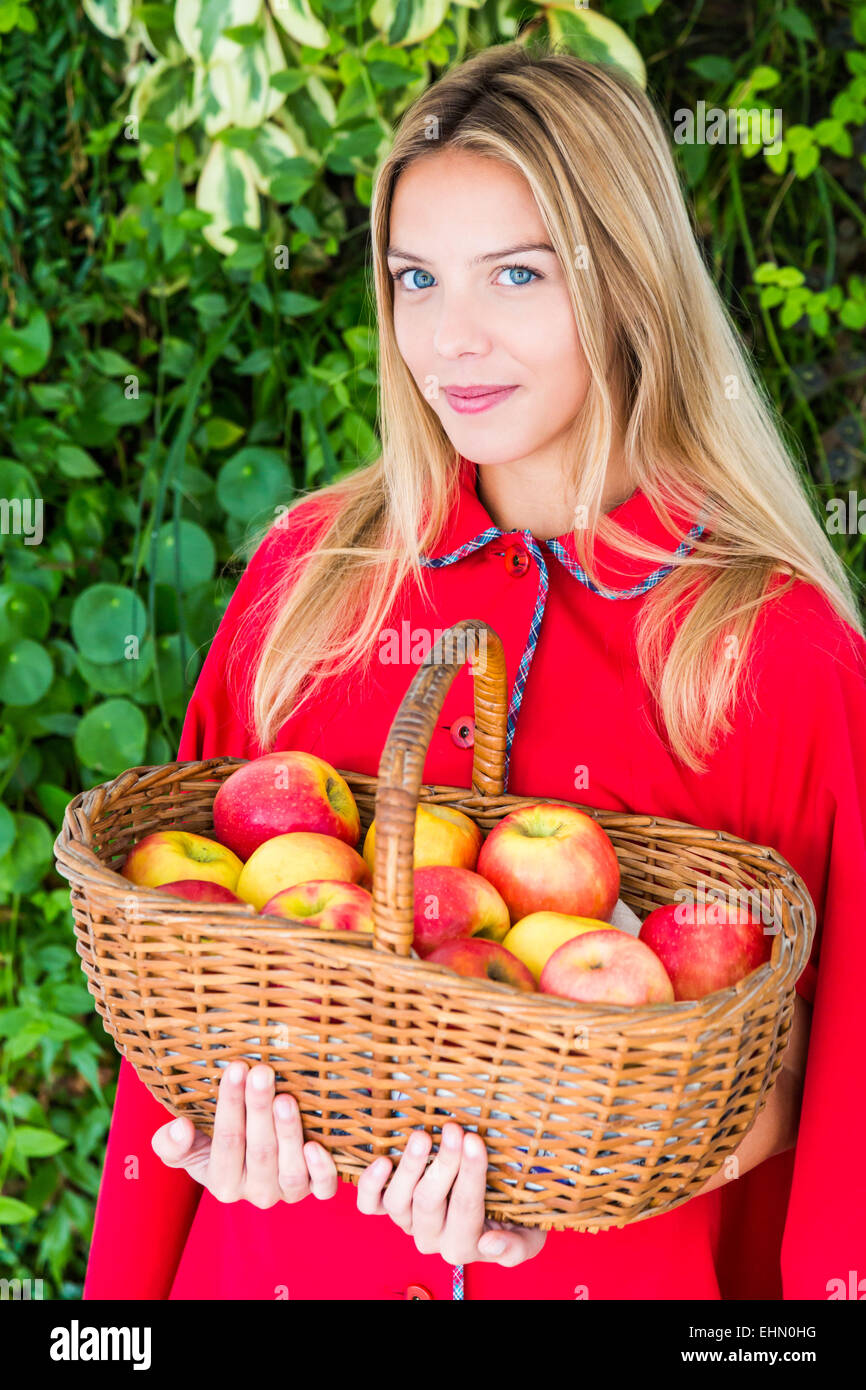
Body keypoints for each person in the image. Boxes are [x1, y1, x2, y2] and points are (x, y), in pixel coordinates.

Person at [83, 43, 866, 1301]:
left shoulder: (764, 650)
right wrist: (216, 1138)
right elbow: (196, 977)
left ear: (625, 283)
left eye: (514, 273)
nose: (451, 339)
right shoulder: (312, 580)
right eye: (414, 278)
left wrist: (557, 1165)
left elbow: (823, 1092)